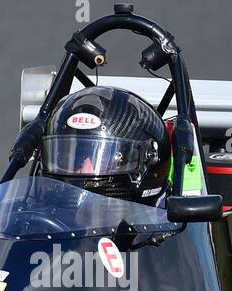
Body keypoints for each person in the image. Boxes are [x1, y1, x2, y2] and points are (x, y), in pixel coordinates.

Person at [38, 86, 170, 204]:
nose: (84, 170)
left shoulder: (171, 227)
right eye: (75, 157)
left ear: (149, 157)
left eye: (103, 159)